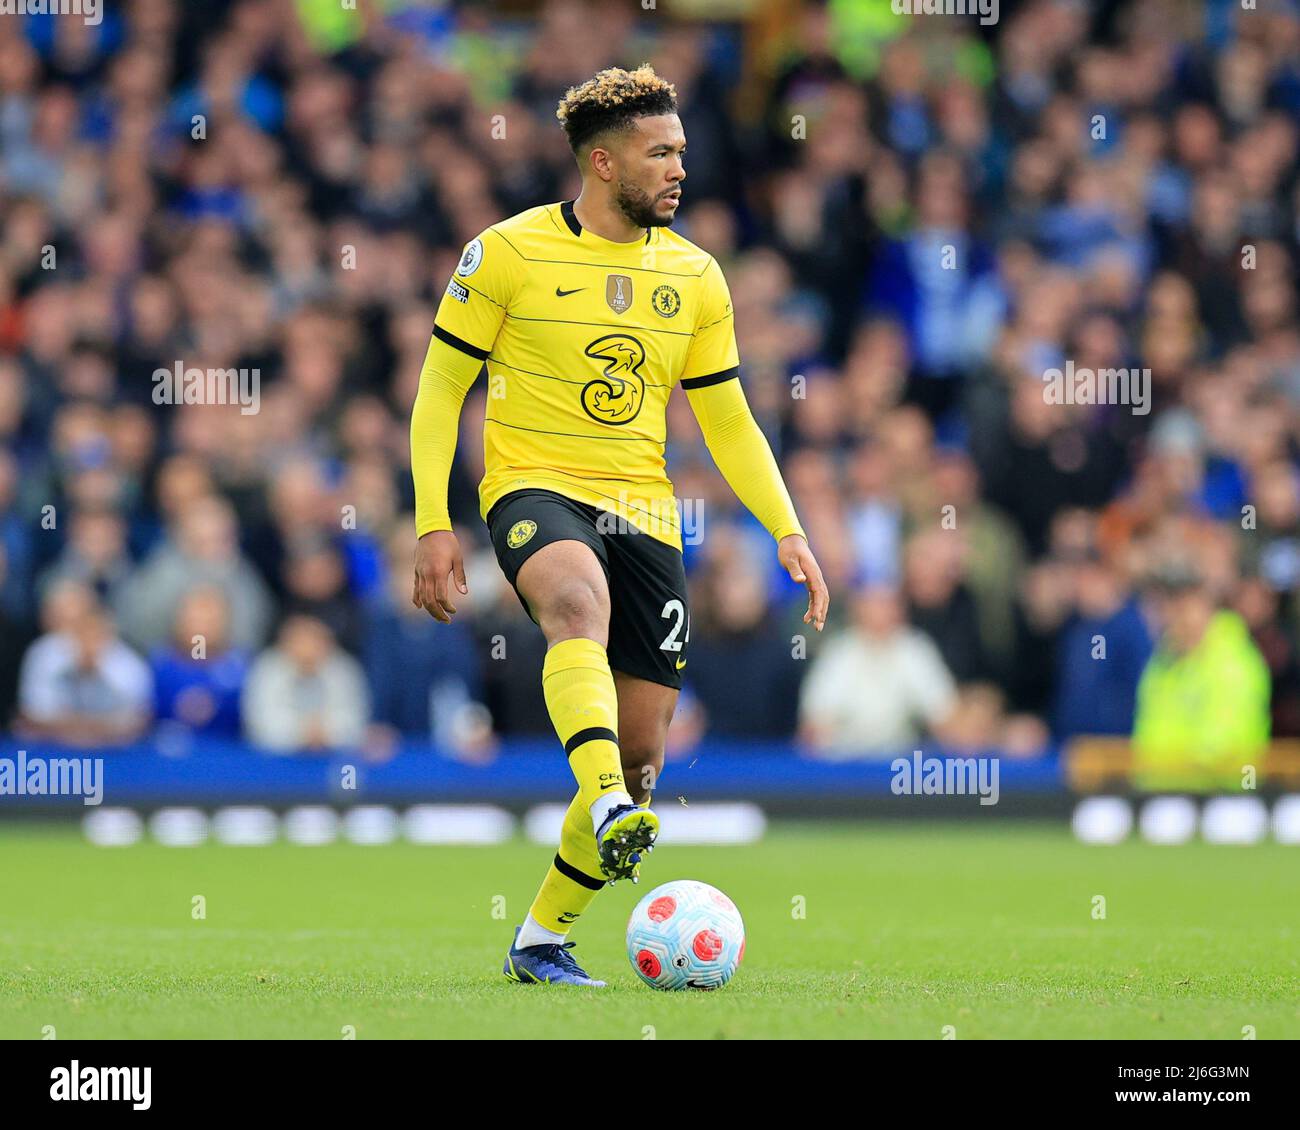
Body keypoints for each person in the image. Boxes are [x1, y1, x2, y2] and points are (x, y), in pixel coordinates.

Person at [409, 65, 829, 987]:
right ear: (602, 162)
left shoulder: (695, 275)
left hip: (644, 511)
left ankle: (541, 938)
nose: (681, 168)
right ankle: (603, 804)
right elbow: (443, 387)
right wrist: (433, 520)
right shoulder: (506, 254)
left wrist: (786, 529)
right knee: (575, 601)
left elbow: (727, 418)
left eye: (682, 150)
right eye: (660, 153)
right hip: (532, 487)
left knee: (642, 757)